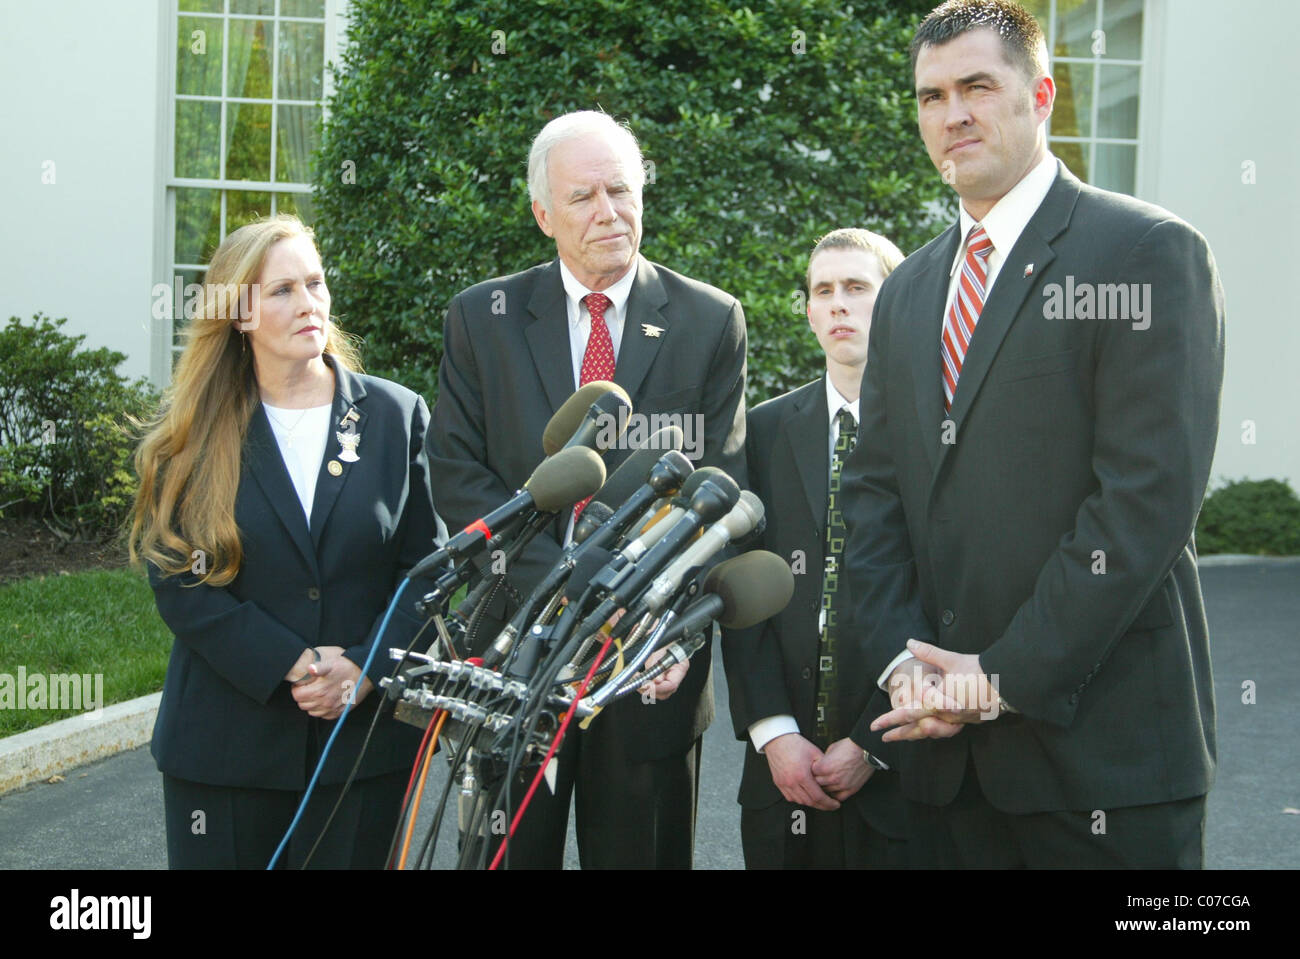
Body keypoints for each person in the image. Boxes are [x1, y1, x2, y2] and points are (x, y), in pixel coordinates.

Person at [842, 0, 1225, 868]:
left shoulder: (1145, 253)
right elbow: (873, 496)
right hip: (940, 763)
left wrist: (1000, 678)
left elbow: (1143, 504)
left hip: (1103, 761)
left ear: (1042, 94)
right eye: (931, 95)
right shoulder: (906, 291)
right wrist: (906, 668)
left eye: (978, 86)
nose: (954, 114)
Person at [429, 110, 747, 868]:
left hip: (647, 668)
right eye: (584, 197)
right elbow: (457, 471)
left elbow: (722, 490)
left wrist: (647, 619)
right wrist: (575, 595)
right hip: (513, 655)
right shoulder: (483, 318)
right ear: (543, 213)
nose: (609, 212)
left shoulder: (709, 320)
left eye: (622, 190)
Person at [130, 214, 435, 868]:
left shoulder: (394, 416)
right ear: (240, 313)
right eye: (283, 291)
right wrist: (291, 664)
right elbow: (179, 578)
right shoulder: (191, 432)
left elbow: (427, 571)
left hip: (361, 750)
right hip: (224, 750)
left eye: (316, 283)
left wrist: (365, 667)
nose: (309, 304)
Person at [722, 228, 910, 868]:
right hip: (783, 769)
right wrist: (774, 734)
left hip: (903, 762)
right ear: (807, 309)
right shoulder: (764, 430)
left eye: (858, 288)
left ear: (896, 303)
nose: (838, 304)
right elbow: (742, 590)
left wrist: (874, 742)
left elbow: (950, 595)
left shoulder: (939, 430)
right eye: (823, 291)